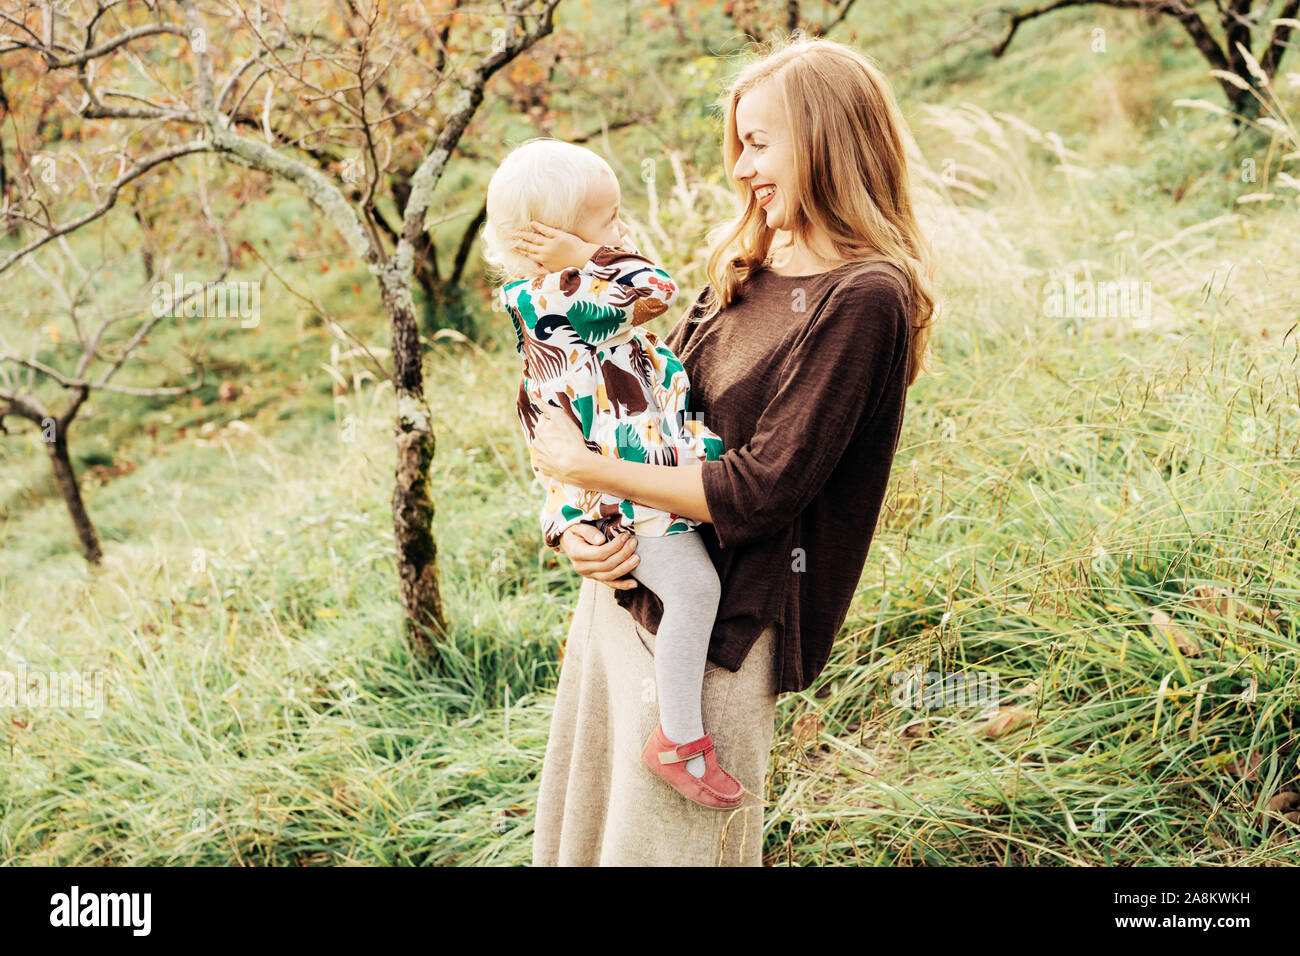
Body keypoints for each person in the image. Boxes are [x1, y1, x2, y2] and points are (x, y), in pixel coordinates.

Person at [524, 34, 940, 866]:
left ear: (825, 138)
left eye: (759, 144)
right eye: (738, 145)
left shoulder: (865, 298)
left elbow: (761, 489)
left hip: (721, 630)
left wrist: (586, 473)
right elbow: (622, 401)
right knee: (590, 837)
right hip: (629, 591)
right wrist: (568, 524)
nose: (742, 168)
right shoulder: (745, 264)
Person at [483, 139, 745, 809]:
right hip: (628, 498)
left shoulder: (558, 297)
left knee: (689, 588)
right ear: (556, 242)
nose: (621, 233)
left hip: (625, 484)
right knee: (692, 589)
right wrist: (588, 259)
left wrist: (586, 254)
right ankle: (680, 739)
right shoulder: (560, 302)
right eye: (608, 222)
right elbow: (656, 288)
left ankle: (675, 730)